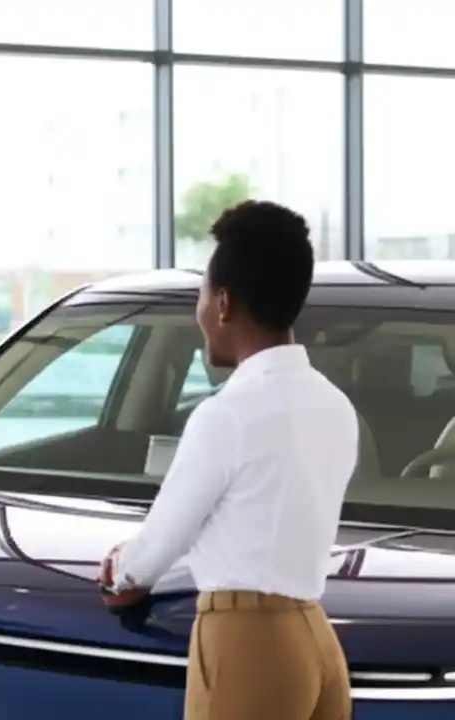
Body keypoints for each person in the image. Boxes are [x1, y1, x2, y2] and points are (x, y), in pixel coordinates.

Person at [96, 200, 357, 720]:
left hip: (247, 644)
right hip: (316, 642)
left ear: (222, 304)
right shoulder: (336, 406)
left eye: (200, 294)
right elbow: (257, 522)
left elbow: (155, 551)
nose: (198, 312)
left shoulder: (228, 415)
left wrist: (122, 571)